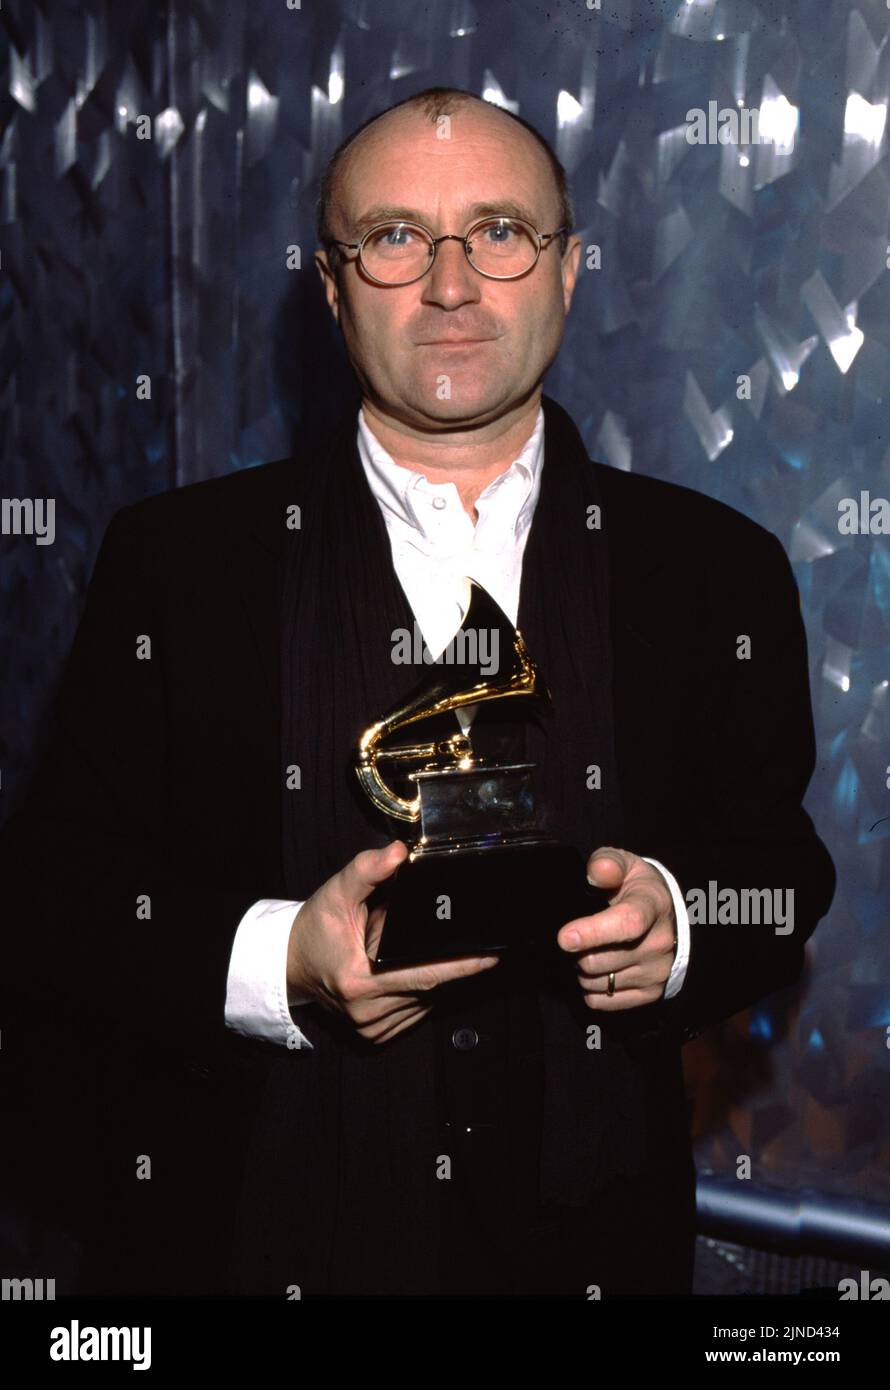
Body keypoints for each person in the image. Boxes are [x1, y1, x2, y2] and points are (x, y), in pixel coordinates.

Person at [0, 87, 835, 1298]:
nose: (451, 284)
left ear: (569, 272)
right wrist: (276, 956)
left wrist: (682, 918)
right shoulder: (173, 565)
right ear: (332, 287)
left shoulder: (715, 570)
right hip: (249, 1249)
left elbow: (781, 867)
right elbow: (53, 888)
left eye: (499, 231)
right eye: (394, 237)